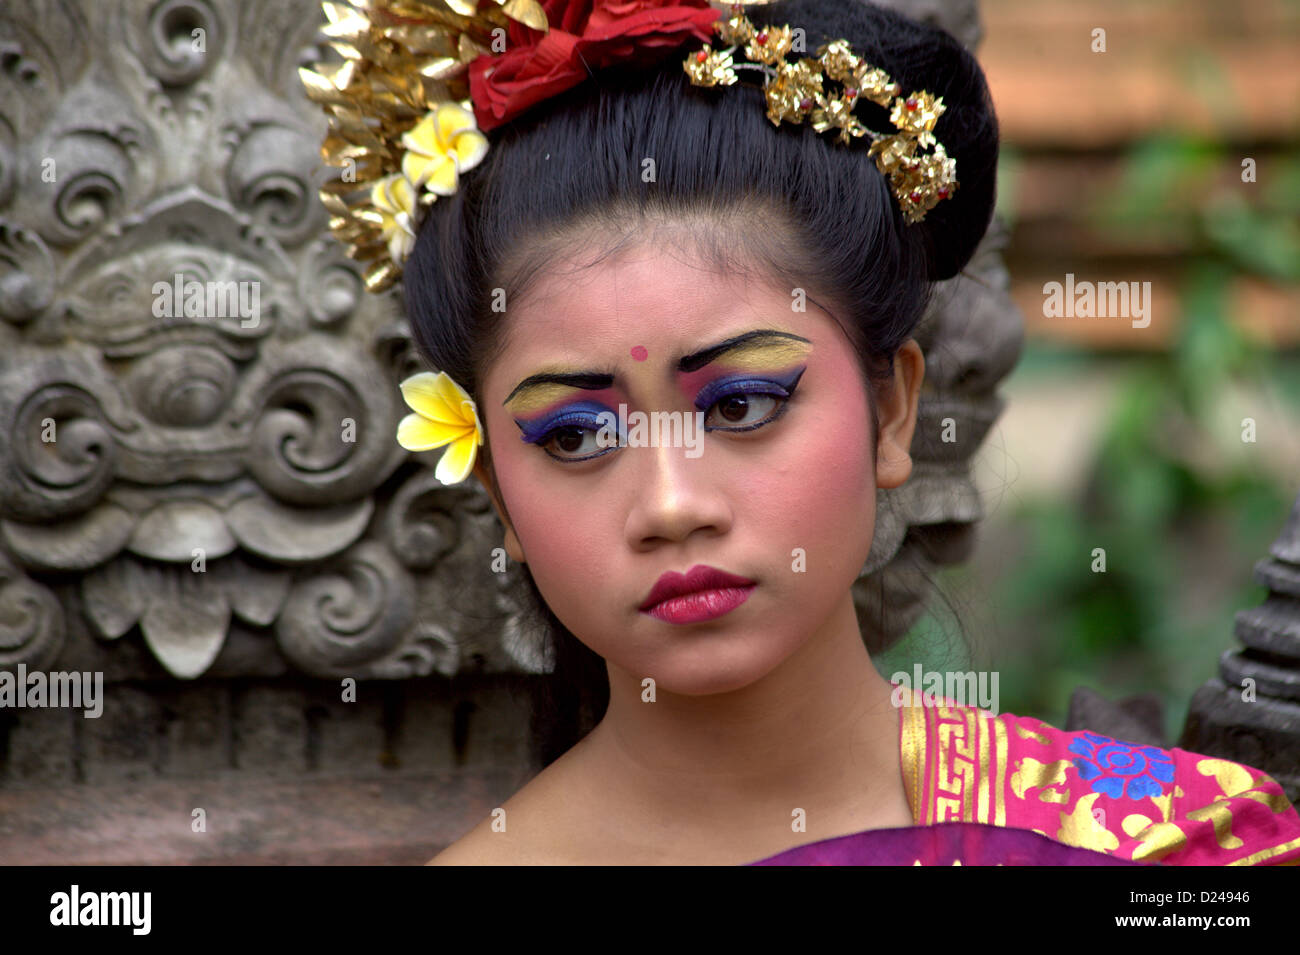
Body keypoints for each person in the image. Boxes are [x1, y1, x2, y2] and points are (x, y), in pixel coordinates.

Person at [303, 0, 1300, 864]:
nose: (671, 505)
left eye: (741, 406)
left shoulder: (1157, 844)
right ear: (496, 493)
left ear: (892, 409)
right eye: (572, 435)